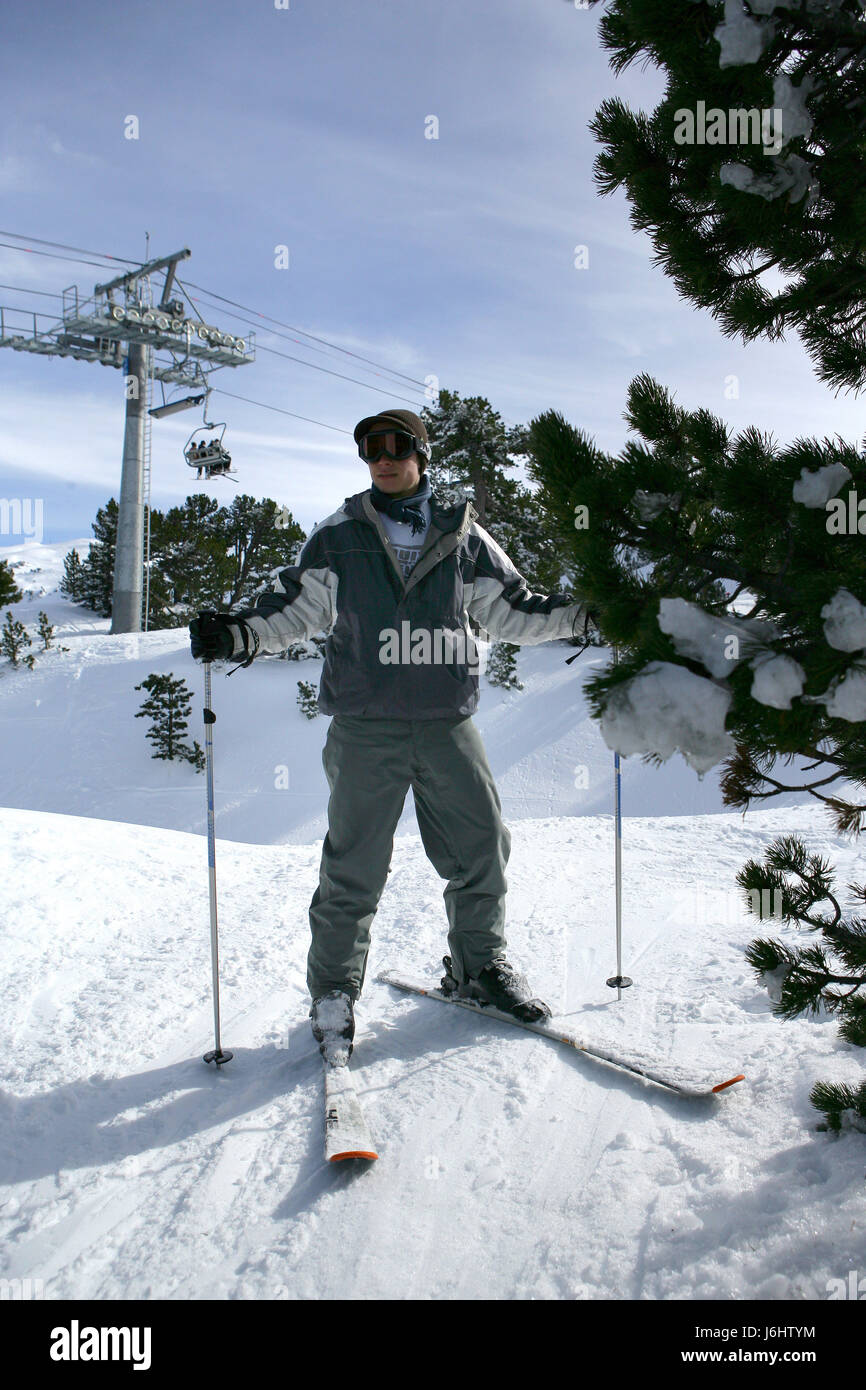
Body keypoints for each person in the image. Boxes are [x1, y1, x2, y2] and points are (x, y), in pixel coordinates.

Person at [190, 408, 595, 1063]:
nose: (383, 459)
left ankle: (479, 969)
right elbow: (295, 609)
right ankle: (333, 996)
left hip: (446, 724)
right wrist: (237, 634)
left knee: (482, 851)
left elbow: (515, 612)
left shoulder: (465, 538)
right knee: (353, 867)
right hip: (365, 726)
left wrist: (588, 613)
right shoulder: (339, 536)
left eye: (396, 447)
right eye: (370, 450)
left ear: (420, 454)